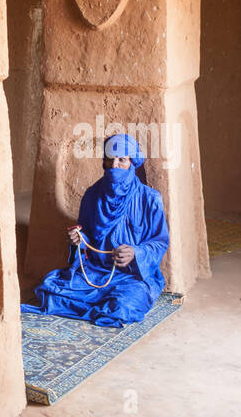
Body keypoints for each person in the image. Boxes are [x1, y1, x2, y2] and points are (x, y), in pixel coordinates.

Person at [21, 132, 169, 328]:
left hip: (132, 277)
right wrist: (78, 240)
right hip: (94, 273)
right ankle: (99, 305)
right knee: (49, 289)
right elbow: (86, 237)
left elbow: (160, 242)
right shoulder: (93, 195)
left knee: (124, 305)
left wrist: (136, 253)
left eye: (122, 160)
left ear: (132, 162)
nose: (114, 166)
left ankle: (104, 305)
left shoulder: (150, 199)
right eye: (109, 160)